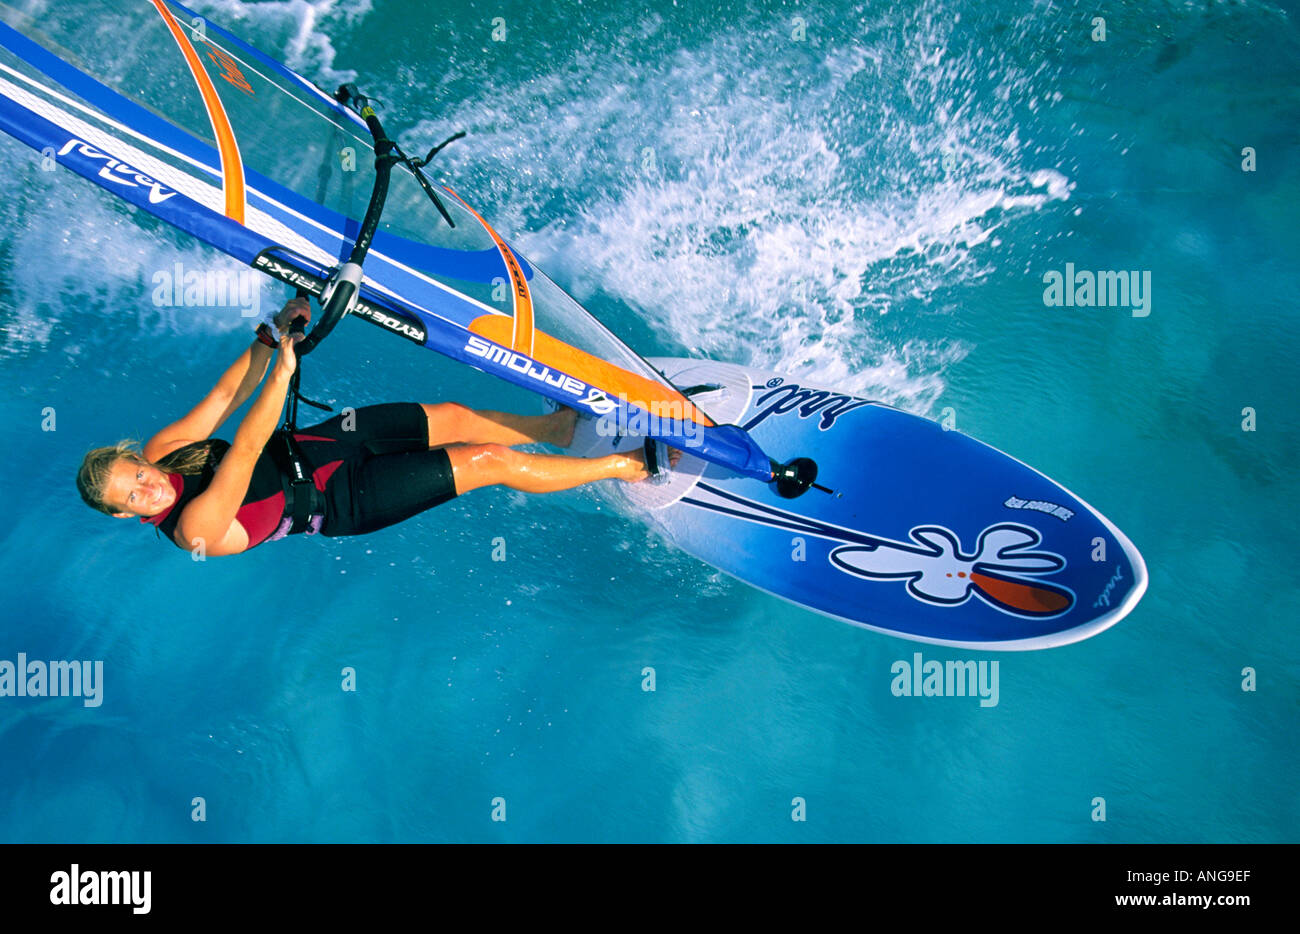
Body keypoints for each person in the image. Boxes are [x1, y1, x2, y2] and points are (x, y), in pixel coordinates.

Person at [76, 297, 676, 556]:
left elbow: (227, 394)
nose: (145, 488)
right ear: (127, 514)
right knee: (485, 460)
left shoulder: (167, 452)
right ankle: (630, 466)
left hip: (315, 445)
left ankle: (557, 429)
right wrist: (283, 375)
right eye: (130, 498)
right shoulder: (194, 532)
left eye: (135, 473)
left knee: (454, 418)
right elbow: (245, 450)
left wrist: (275, 330)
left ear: (138, 457)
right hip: (339, 502)